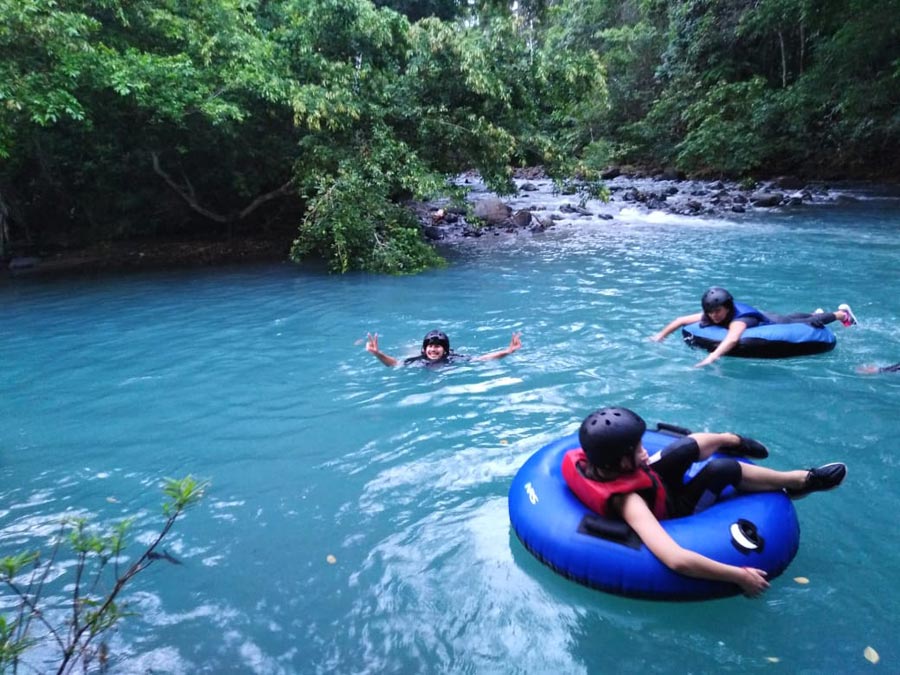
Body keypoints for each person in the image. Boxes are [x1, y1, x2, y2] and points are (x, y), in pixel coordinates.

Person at [564, 407, 846, 598]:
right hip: (674, 507)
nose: (644, 450)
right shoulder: (630, 502)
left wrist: (640, 460)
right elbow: (676, 560)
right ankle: (797, 482)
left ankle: (731, 439)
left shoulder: (598, 461)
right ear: (620, 460)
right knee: (722, 470)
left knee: (685, 447)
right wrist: (739, 576)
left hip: (653, 483)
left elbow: (636, 463)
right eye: (637, 449)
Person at [651, 286, 858, 367]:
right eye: (710, 312)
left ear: (728, 307)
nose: (714, 316)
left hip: (770, 322)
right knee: (794, 316)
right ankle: (818, 313)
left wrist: (710, 358)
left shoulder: (739, 320)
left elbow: (732, 340)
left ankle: (841, 314)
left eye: (718, 312)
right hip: (764, 316)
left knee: (806, 323)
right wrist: (660, 337)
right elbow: (680, 320)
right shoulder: (711, 313)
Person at [365, 329, 522, 367]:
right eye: (430, 346)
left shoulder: (452, 359)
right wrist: (378, 354)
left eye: (438, 347)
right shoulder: (419, 361)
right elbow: (395, 364)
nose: (433, 350)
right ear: (425, 349)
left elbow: (483, 358)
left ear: (445, 350)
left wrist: (508, 352)